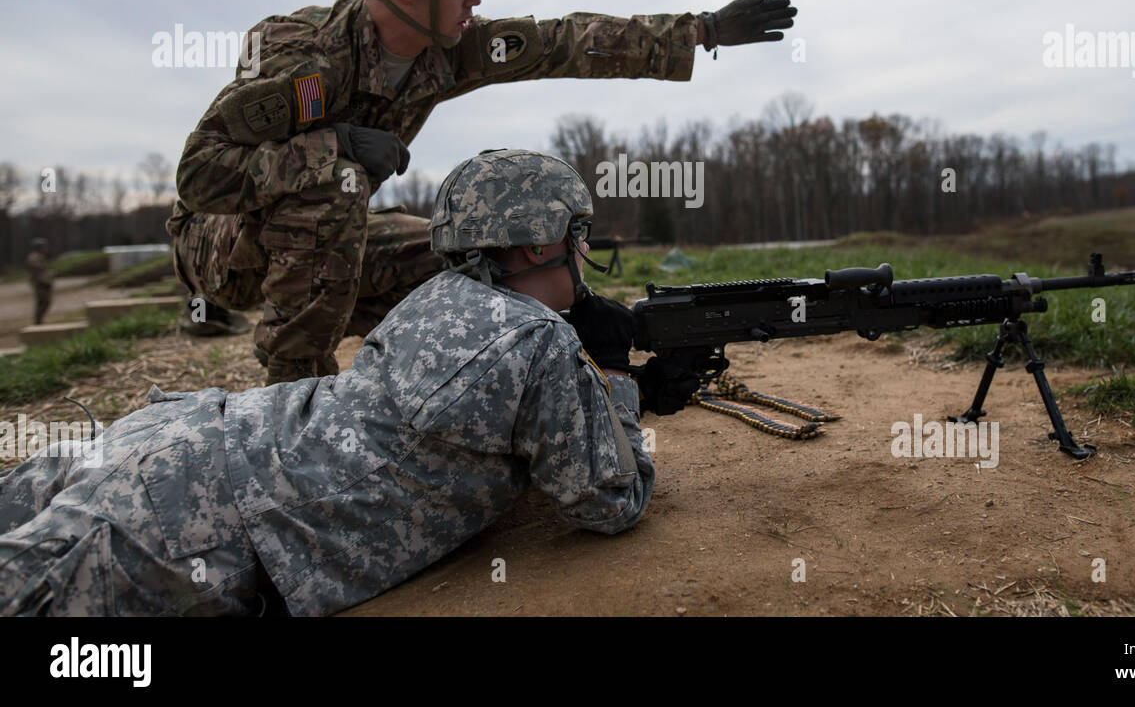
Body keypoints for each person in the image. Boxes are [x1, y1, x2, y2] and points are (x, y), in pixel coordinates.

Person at [0, 149, 697, 616]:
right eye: (578, 232)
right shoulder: (542, 340)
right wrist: (610, 377)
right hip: (190, 523)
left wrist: (603, 380)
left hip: (177, 438)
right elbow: (609, 502)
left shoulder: (429, 299)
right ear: (542, 243)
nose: (583, 248)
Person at [166, 0, 798, 383]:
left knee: (470, 257)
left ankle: (445, 391)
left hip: (326, 243)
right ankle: (295, 398)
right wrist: (335, 147)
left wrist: (701, 30)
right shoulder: (305, 60)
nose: (474, 0)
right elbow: (200, 178)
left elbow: (561, 43)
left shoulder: (446, 51)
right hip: (220, 249)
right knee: (336, 184)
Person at [26, 238, 52, 326]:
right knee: (42, 302)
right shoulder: (34, 257)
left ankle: (39, 321)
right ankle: (38, 322)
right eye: (43, 247)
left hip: (43, 283)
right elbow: (37, 270)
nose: (45, 248)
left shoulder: (39, 256)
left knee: (45, 302)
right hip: (40, 283)